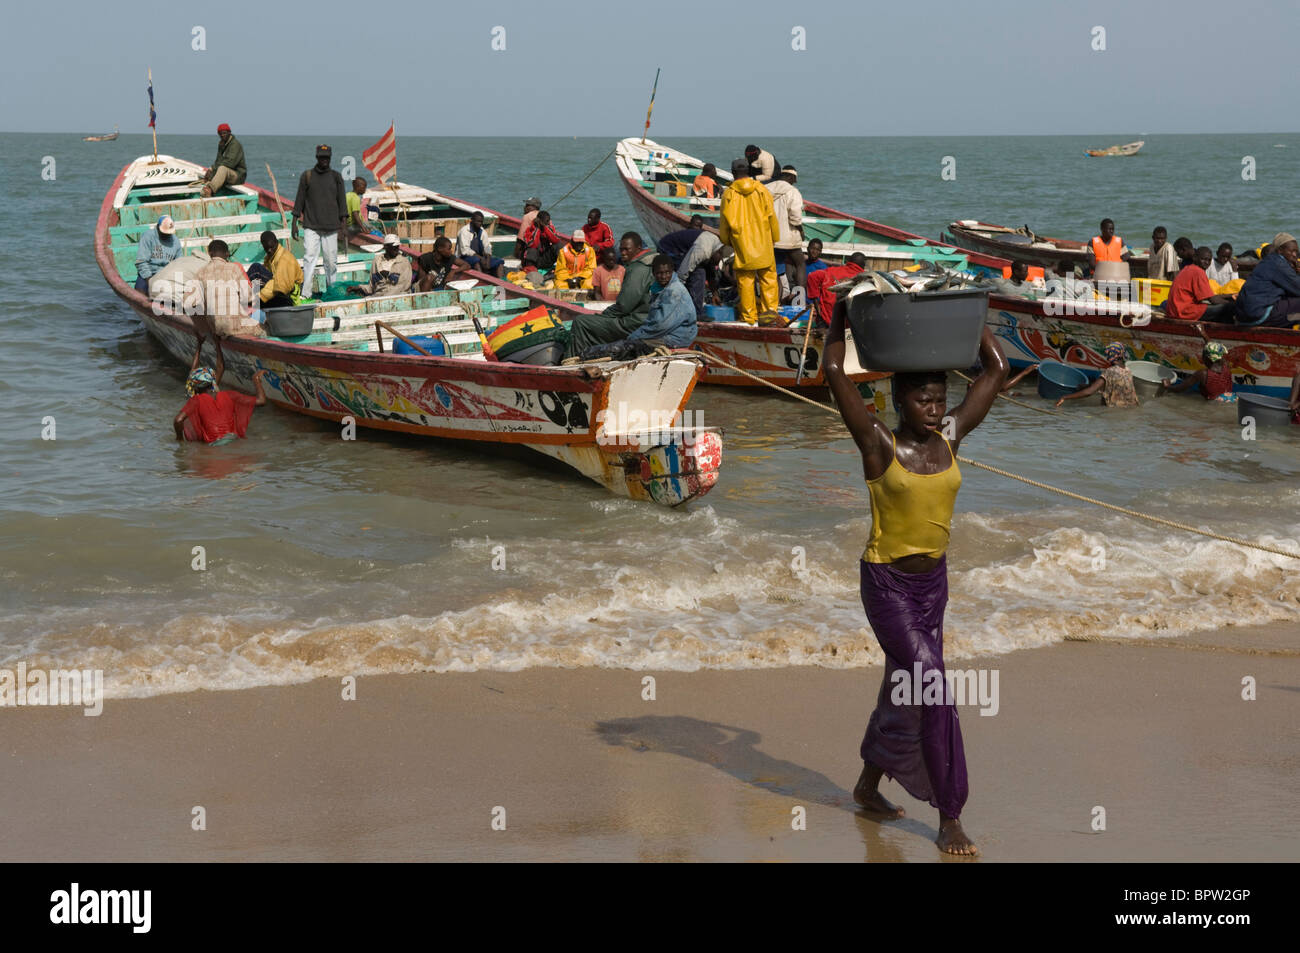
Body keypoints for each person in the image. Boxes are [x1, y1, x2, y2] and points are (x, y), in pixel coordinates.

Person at [823, 299, 1008, 857]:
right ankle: (951, 814)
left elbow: (996, 369)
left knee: (903, 687)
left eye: (939, 398)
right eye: (922, 399)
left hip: (934, 587)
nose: (933, 408)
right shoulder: (878, 442)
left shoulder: (950, 435)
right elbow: (834, 371)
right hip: (887, 587)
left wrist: (971, 312)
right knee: (933, 688)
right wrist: (839, 317)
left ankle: (866, 784)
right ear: (897, 400)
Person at [565, 232, 656, 356]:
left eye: (627, 249)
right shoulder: (653, 261)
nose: (623, 253)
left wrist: (604, 315)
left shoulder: (637, 269)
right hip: (648, 319)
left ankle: (574, 360)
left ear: (638, 249)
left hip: (635, 322)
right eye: (621, 249)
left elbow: (624, 305)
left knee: (581, 322)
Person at [718, 158, 781, 325]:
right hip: (764, 243)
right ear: (749, 171)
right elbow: (771, 217)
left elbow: (724, 224)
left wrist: (726, 241)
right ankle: (771, 314)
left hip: (742, 244)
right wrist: (774, 238)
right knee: (768, 279)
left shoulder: (729, 194)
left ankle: (749, 318)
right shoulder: (762, 190)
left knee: (746, 281)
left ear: (732, 173)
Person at [174, 352, 269, 445]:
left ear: (196, 387)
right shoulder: (230, 395)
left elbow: (178, 420)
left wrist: (180, 439)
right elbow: (261, 401)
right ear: (212, 382)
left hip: (215, 444)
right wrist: (256, 380)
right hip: (233, 439)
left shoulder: (196, 400)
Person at [292, 145, 348, 297]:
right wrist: (294, 222)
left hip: (331, 227)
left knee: (331, 262)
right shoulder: (307, 176)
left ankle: (332, 290)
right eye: (322, 157)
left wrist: (343, 227)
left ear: (330, 158)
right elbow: (300, 199)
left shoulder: (336, 177)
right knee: (309, 258)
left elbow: (342, 202)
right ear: (317, 157)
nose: (324, 160)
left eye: (327, 157)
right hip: (311, 226)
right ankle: (306, 293)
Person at [622, 256, 698, 349]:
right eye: (659, 273)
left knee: (631, 345)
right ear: (653, 273)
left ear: (672, 271)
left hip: (677, 337)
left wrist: (635, 336)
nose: (663, 277)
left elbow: (660, 325)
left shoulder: (674, 291)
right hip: (668, 331)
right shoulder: (658, 287)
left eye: (667, 273)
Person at [192, 239, 257, 342]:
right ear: (227, 254)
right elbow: (249, 298)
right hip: (237, 327)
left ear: (209, 254)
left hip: (215, 329)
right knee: (264, 324)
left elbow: (191, 304)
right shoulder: (234, 268)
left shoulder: (200, 273)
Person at [1235, 232, 1300, 327]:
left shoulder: (1268, 261)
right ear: (1280, 251)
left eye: (1296, 252)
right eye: (1291, 251)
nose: (1295, 255)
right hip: (1259, 315)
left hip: (1244, 315)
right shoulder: (1279, 263)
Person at [659, 228, 724, 316]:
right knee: (699, 273)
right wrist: (677, 292)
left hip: (685, 250)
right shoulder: (703, 250)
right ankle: (695, 313)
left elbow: (711, 273)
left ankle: (694, 310)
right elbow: (683, 272)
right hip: (667, 248)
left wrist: (715, 294)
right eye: (714, 262)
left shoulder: (716, 245)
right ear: (718, 253)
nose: (714, 264)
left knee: (703, 270)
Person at [1055, 342, 1138, 407]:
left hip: (1114, 413)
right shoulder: (1128, 371)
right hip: (1130, 410)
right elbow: (1111, 385)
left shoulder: (1110, 372)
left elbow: (1089, 392)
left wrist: (1065, 397)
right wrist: (1087, 386)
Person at [1164, 326, 1235, 402]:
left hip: (1212, 402)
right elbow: (1212, 348)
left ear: (1206, 358)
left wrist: (1168, 386)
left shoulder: (1202, 374)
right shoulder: (1225, 365)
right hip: (1231, 399)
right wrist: (1203, 333)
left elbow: (1180, 389)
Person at [1165, 246, 1237, 321]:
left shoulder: (1188, 268)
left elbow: (1206, 297)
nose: (1207, 263)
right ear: (1195, 258)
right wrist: (1231, 304)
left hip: (1173, 311)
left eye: (1209, 260)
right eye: (1203, 259)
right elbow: (1213, 300)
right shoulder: (1198, 271)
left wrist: (1229, 297)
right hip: (1184, 312)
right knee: (1230, 308)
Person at [768, 165, 807, 294]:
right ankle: (799, 301)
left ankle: (775, 304)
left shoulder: (766, 188)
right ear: (791, 177)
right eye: (794, 180)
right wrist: (801, 230)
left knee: (776, 272)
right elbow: (795, 218)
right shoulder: (793, 192)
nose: (794, 183)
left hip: (770, 238)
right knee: (800, 264)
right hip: (788, 238)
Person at [806, 252, 867, 323]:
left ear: (849, 261)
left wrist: (816, 303)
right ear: (863, 265)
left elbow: (812, 277)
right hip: (849, 324)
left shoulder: (830, 271)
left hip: (826, 319)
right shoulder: (864, 279)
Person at [250, 231, 303, 309]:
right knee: (255, 280)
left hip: (288, 298)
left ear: (277, 242)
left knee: (256, 269)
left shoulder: (285, 258)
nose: (269, 250)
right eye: (266, 248)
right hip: (276, 292)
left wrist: (259, 297)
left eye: (272, 247)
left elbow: (280, 285)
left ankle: (245, 303)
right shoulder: (270, 257)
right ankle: (248, 305)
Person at [134, 215, 181, 293]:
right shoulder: (148, 236)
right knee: (140, 293)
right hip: (148, 274)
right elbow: (141, 262)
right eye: (164, 232)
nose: (166, 235)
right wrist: (150, 280)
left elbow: (178, 264)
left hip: (167, 276)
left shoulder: (175, 241)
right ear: (158, 227)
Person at [199, 123, 246, 197]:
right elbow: (218, 161)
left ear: (229, 133)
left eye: (224, 133)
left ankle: (210, 189)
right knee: (216, 170)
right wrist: (211, 170)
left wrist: (213, 168)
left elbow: (230, 163)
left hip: (238, 176)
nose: (222, 135)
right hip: (228, 174)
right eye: (220, 134)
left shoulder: (235, 144)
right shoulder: (222, 144)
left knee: (222, 168)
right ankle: (208, 189)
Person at [456, 210, 506, 278]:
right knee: (476, 261)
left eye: (481, 222)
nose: (480, 223)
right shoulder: (464, 231)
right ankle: (483, 279)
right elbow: (465, 250)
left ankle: (501, 283)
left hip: (480, 257)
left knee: (500, 262)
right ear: (472, 220)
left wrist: (487, 259)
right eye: (478, 221)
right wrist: (481, 258)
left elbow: (487, 246)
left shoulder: (482, 231)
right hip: (464, 258)